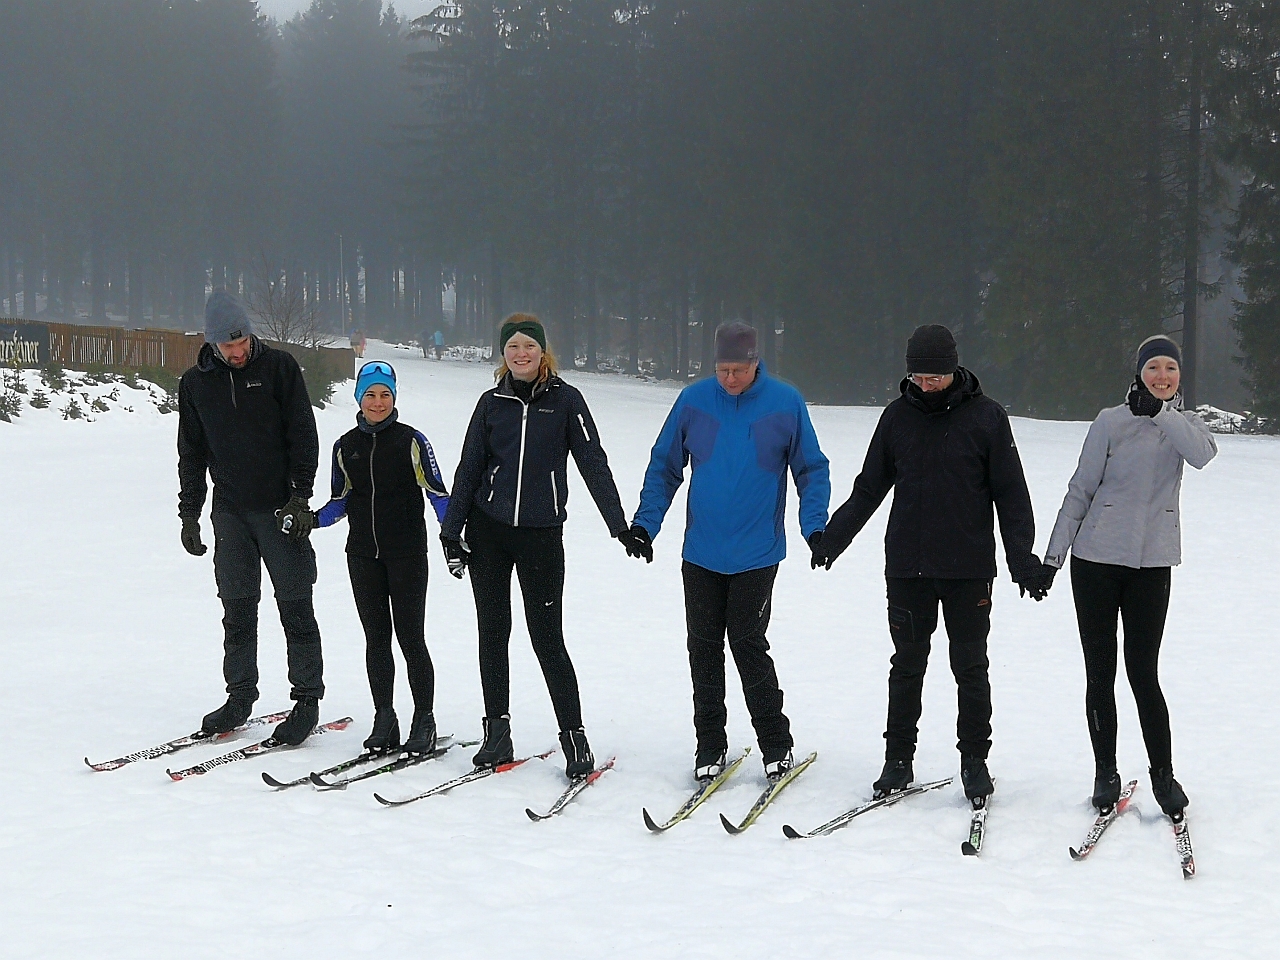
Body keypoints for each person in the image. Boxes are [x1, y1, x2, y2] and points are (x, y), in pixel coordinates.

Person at [817, 324, 1050, 802]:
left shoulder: (987, 418)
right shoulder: (897, 418)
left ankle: (974, 762)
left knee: (970, 667)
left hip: (968, 570)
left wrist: (1021, 561)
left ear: (953, 370)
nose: (926, 385)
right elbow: (870, 487)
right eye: (919, 377)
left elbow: (1011, 495)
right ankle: (897, 762)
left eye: (935, 377)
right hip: (907, 567)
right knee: (907, 665)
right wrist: (834, 538)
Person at [624, 321, 831, 783]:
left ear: (756, 363)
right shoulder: (694, 402)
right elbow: (664, 467)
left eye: (738, 369)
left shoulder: (785, 403)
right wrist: (645, 526)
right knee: (702, 648)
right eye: (722, 370)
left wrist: (815, 528)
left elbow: (811, 470)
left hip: (757, 554)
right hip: (701, 552)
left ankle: (776, 746)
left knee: (748, 644)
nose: (730, 379)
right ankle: (709, 746)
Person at [440, 313, 631, 779]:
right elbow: (468, 468)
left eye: (529, 346)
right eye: (512, 348)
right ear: (502, 355)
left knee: (547, 637)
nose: (521, 354)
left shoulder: (566, 402)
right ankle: (497, 733)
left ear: (543, 352)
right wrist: (451, 533)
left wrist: (618, 524)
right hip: (489, 533)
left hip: (542, 537)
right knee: (493, 633)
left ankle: (574, 735)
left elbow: (592, 461)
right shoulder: (491, 403)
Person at [1043, 336, 1216, 820]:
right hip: (1096, 562)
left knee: (1143, 673)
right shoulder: (1109, 422)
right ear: (1138, 372)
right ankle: (1105, 771)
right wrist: (1053, 557)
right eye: (1153, 368)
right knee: (1100, 672)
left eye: (1171, 369)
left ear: (1180, 377)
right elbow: (1081, 489)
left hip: (1152, 564)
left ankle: (1164, 774)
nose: (1162, 376)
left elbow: (1202, 455)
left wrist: (1160, 413)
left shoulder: (1184, 426)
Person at [177, 290, 324, 745]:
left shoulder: (279, 368)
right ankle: (239, 696)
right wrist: (190, 514)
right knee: (237, 609)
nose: (237, 352)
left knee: (295, 604)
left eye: (242, 343)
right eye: (228, 346)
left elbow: (303, 435)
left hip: (280, 508)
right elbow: (191, 452)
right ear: (212, 343)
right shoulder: (195, 384)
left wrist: (301, 498)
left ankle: (306, 701)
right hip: (232, 513)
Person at [315, 361, 451, 756]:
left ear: (394, 398)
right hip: (362, 557)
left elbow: (438, 494)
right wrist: (310, 522)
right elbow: (339, 502)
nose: (378, 402)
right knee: (376, 640)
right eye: (370, 394)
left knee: (411, 639)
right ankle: (384, 718)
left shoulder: (412, 441)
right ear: (359, 398)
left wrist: (452, 531)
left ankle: (423, 719)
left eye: (385, 395)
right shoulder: (345, 446)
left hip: (407, 554)